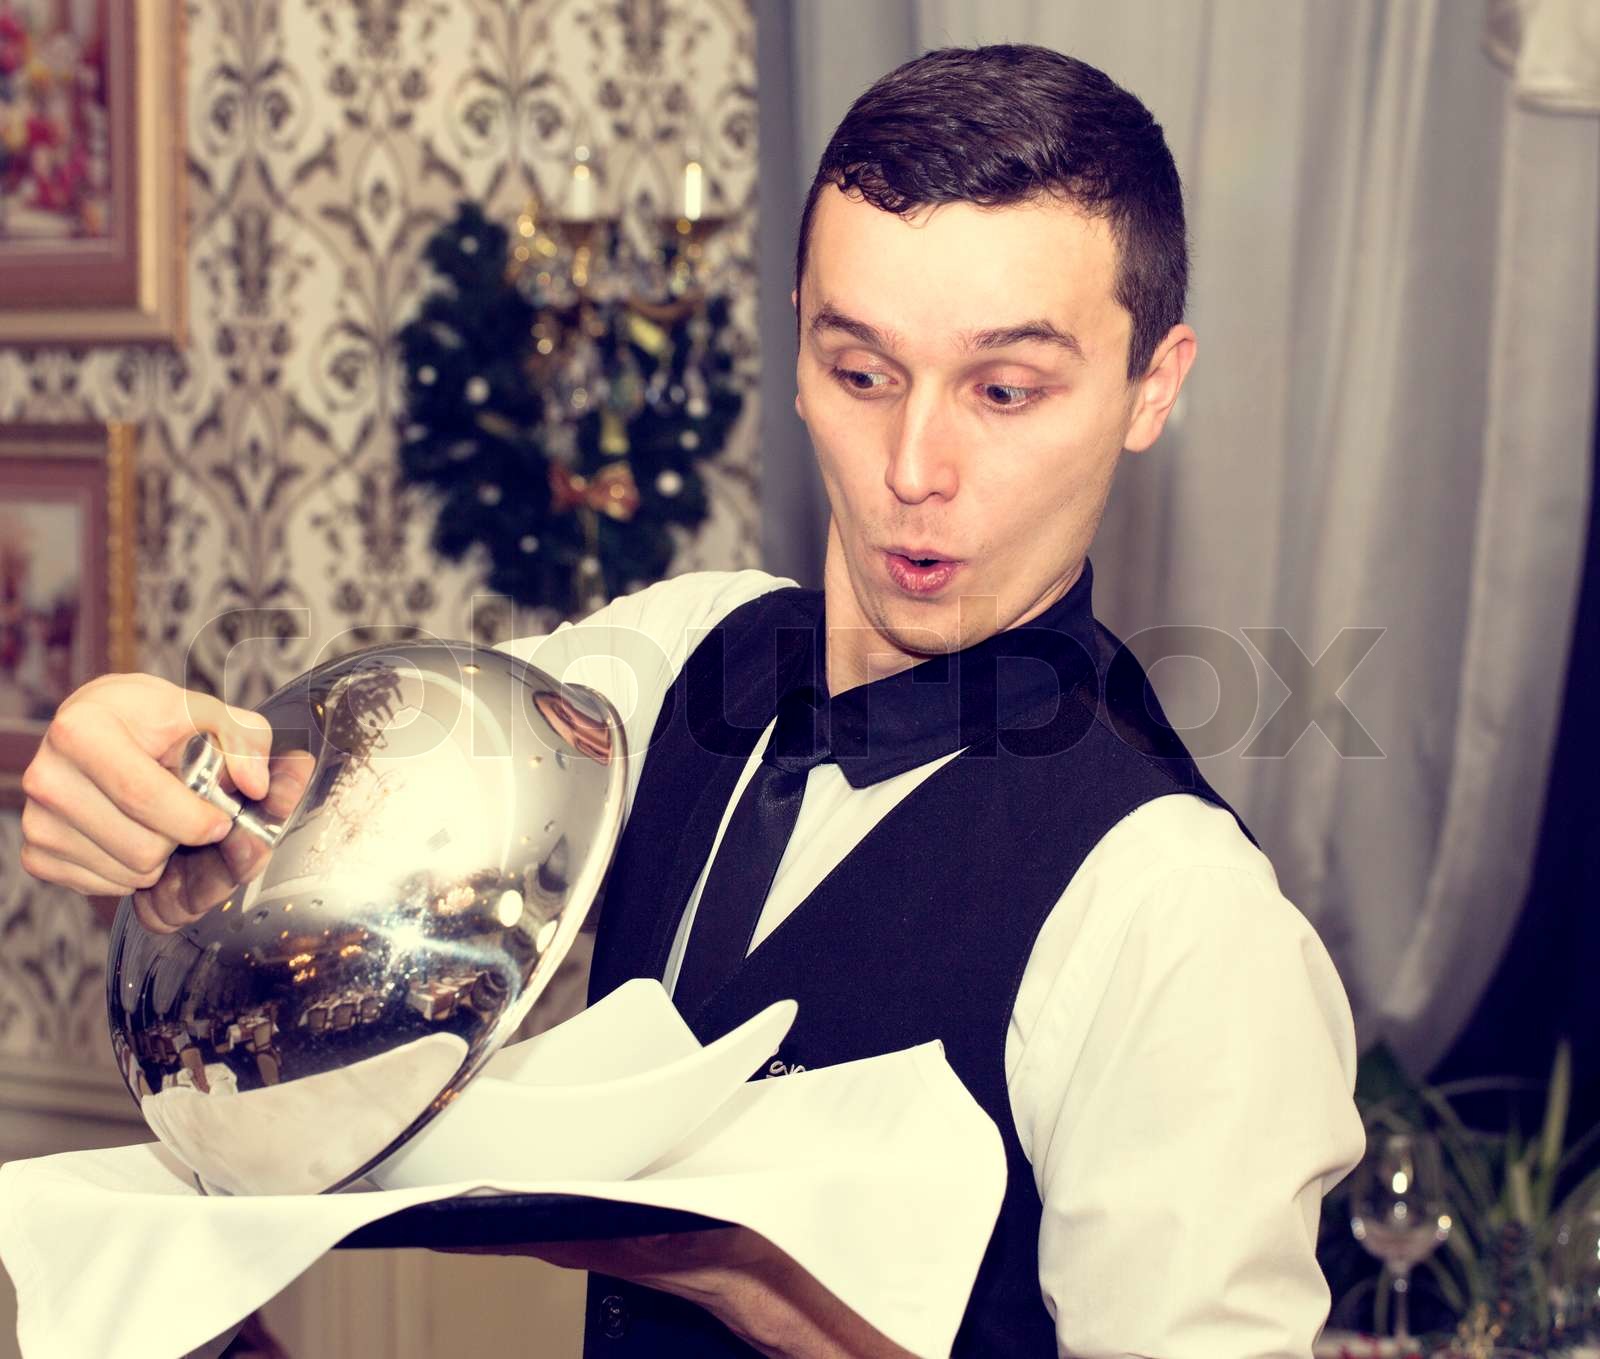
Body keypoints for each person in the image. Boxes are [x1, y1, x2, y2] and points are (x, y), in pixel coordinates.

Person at [18, 43, 1363, 1359]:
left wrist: (759, 1288)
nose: (913, 465)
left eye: (1005, 390)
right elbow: (353, 831)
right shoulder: (683, 652)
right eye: (862, 371)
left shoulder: (1187, 919)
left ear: (1152, 388)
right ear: (796, 350)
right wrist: (180, 793)